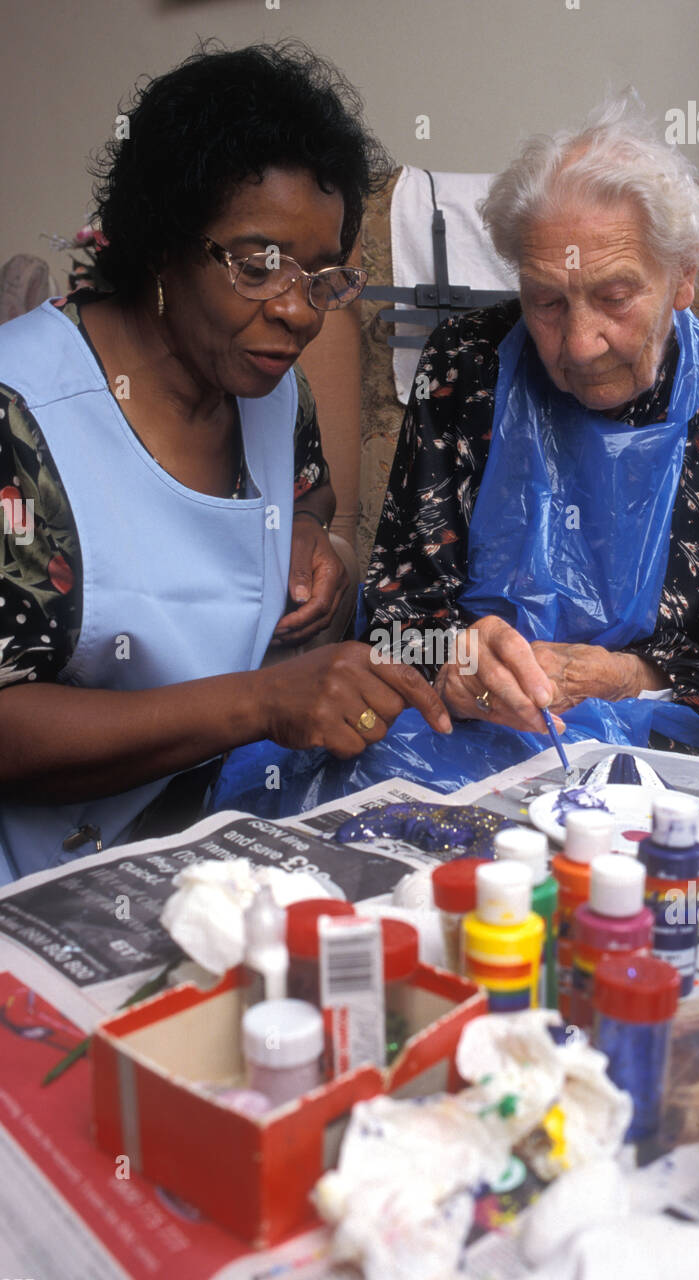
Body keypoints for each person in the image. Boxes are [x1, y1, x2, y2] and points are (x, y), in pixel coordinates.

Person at [0, 42, 451, 885]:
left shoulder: (270, 387)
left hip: (212, 833)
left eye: (322, 277)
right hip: (45, 881)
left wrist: (312, 542)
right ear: (162, 244)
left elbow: (304, 502)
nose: (295, 311)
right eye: (257, 266)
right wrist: (261, 704)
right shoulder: (18, 416)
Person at [359, 95, 699, 773]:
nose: (579, 343)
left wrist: (626, 678)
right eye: (545, 301)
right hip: (455, 743)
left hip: (659, 761)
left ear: (682, 274)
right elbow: (393, 624)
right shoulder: (464, 364)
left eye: (613, 297)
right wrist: (456, 662)